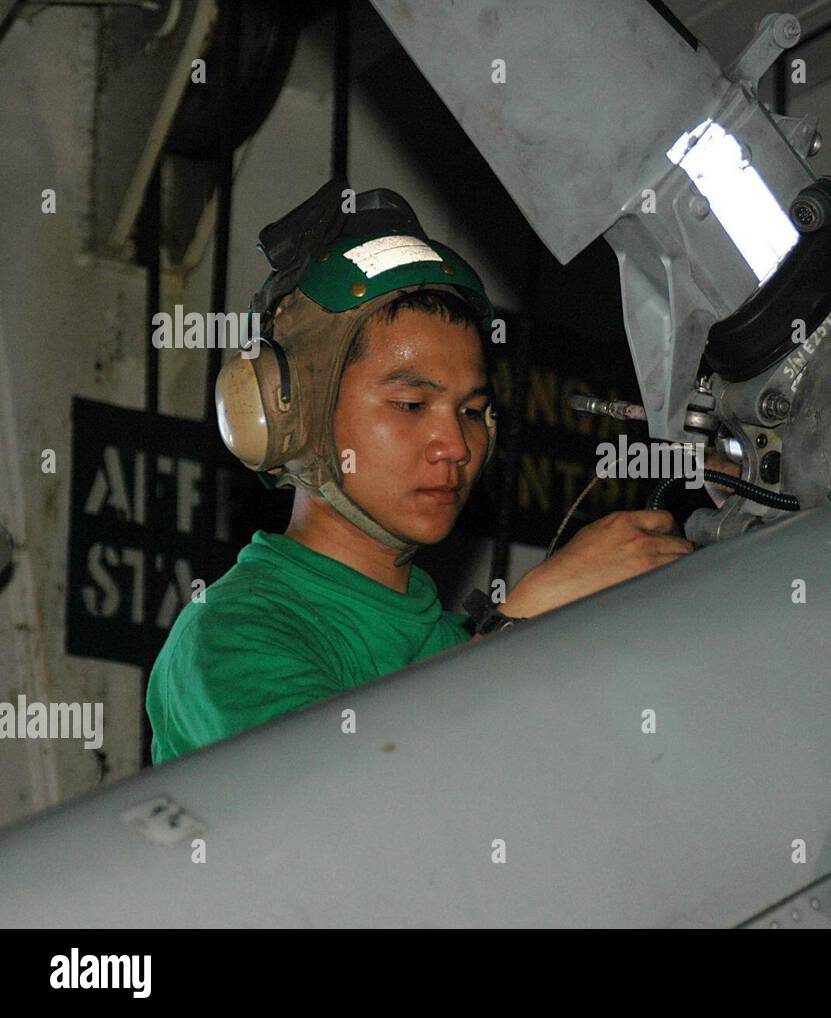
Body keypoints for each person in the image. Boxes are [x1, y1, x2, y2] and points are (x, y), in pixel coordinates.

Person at [145, 184, 692, 764]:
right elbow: (343, 808)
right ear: (288, 415)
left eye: (472, 412)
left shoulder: (458, 647)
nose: (455, 446)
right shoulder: (231, 636)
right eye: (410, 406)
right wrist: (521, 622)